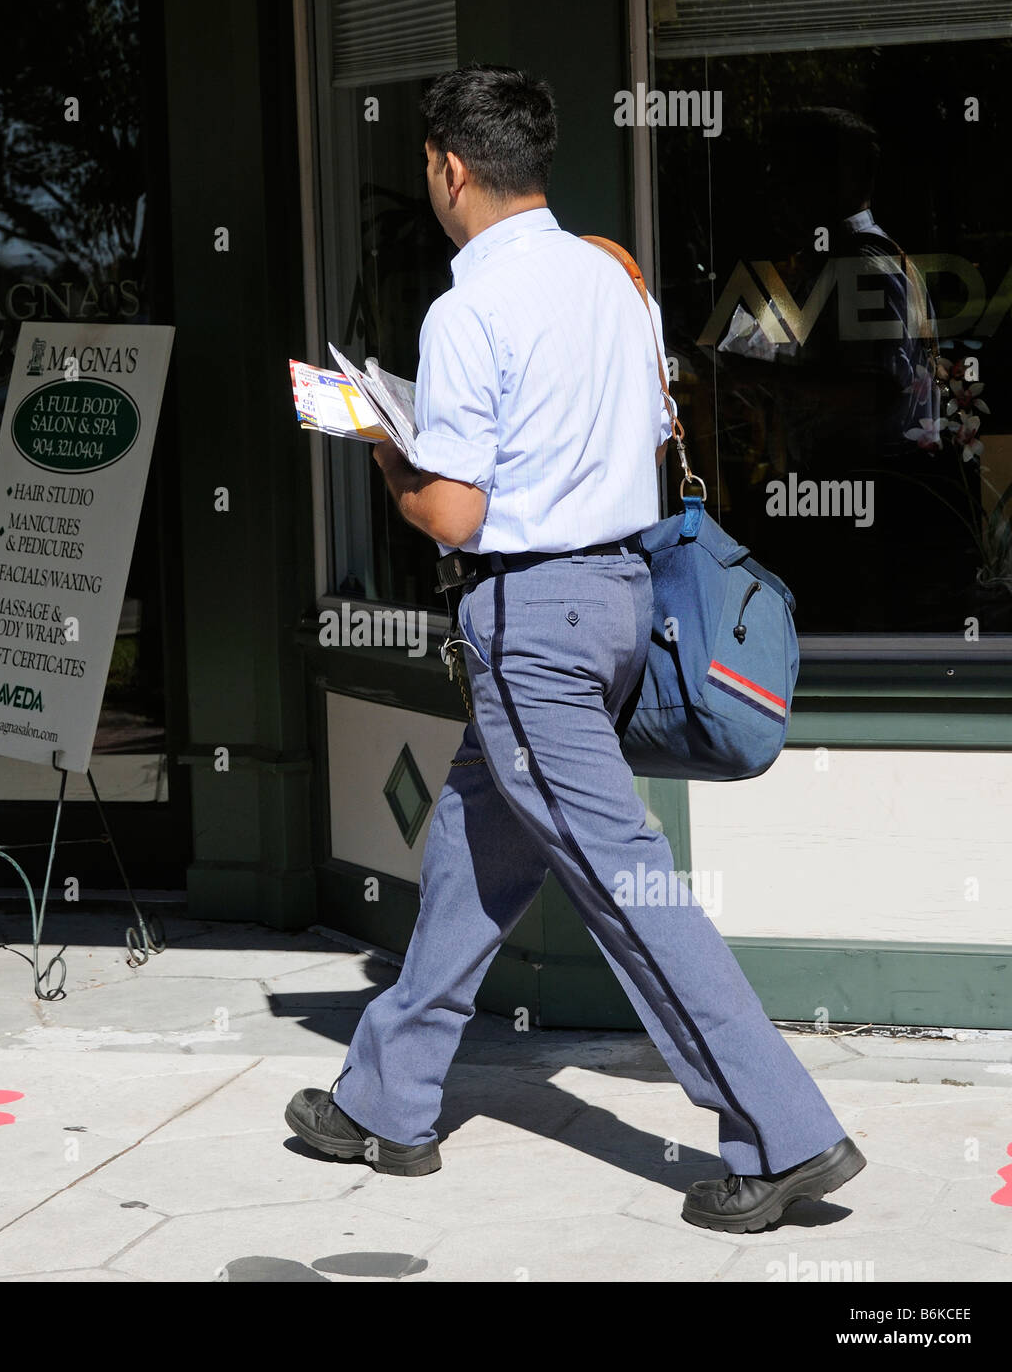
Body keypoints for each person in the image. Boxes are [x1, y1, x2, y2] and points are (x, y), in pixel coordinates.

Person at [285, 63, 865, 1234]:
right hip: (612, 602)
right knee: (470, 851)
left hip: (528, 625)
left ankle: (782, 1132)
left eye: (431, 168)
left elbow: (452, 514)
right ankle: (386, 1101)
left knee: (629, 881)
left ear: (449, 169)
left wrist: (387, 453)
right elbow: (639, 438)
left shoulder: (464, 311)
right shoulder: (615, 278)